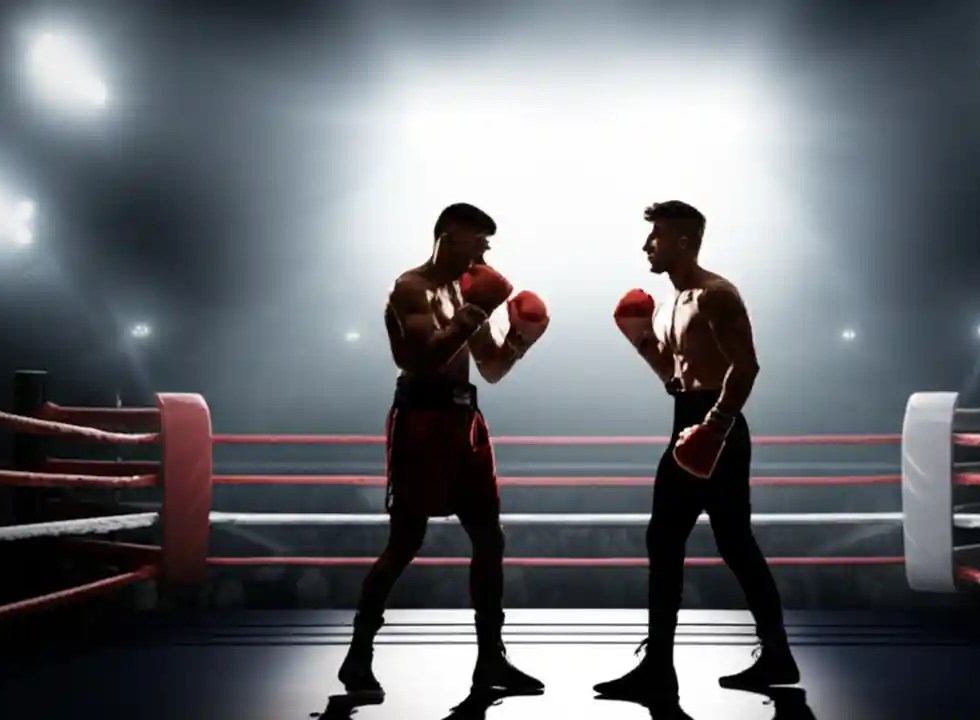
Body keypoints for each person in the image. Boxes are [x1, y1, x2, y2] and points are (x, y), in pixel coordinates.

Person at [338, 203, 548, 701]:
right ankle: (358, 656)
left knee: (489, 540)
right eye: (478, 241)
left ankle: (490, 661)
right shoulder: (411, 288)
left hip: (464, 423)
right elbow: (419, 358)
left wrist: (520, 338)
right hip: (421, 422)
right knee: (405, 543)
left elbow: (491, 369)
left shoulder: (464, 290)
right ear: (447, 236)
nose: (484, 253)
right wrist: (477, 311)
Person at [595, 200, 800, 700]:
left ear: (684, 241)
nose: (647, 245)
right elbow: (674, 378)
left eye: (656, 235)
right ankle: (764, 656)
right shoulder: (670, 305)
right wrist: (643, 342)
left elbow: (746, 366)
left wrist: (717, 426)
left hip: (718, 426)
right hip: (688, 419)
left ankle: (668, 669)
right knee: (685, 541)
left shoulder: (716, 295)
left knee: (711, 542)